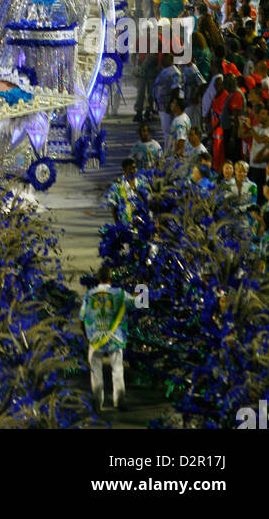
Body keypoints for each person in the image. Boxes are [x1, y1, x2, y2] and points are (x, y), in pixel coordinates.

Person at [80, 264, 139, 412]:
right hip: (115, 337)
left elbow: (81, 318)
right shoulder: (119, 294)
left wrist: (86, 336)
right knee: (117, 369)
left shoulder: (89, 295)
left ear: (98, 279)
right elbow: (139, 303)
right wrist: (142, 287)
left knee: (96, 370)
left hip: (95, 338)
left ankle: (97, 401)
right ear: (111, 278)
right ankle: (119, 400)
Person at [106, 159, 144, 229]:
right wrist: (118, 225)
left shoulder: (142, 182)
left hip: (142, 223)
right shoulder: (117, 186)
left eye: (134, 168)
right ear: (124, 170)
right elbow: (113, 208)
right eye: (130, 169)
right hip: (126, 224)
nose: (132, 171)